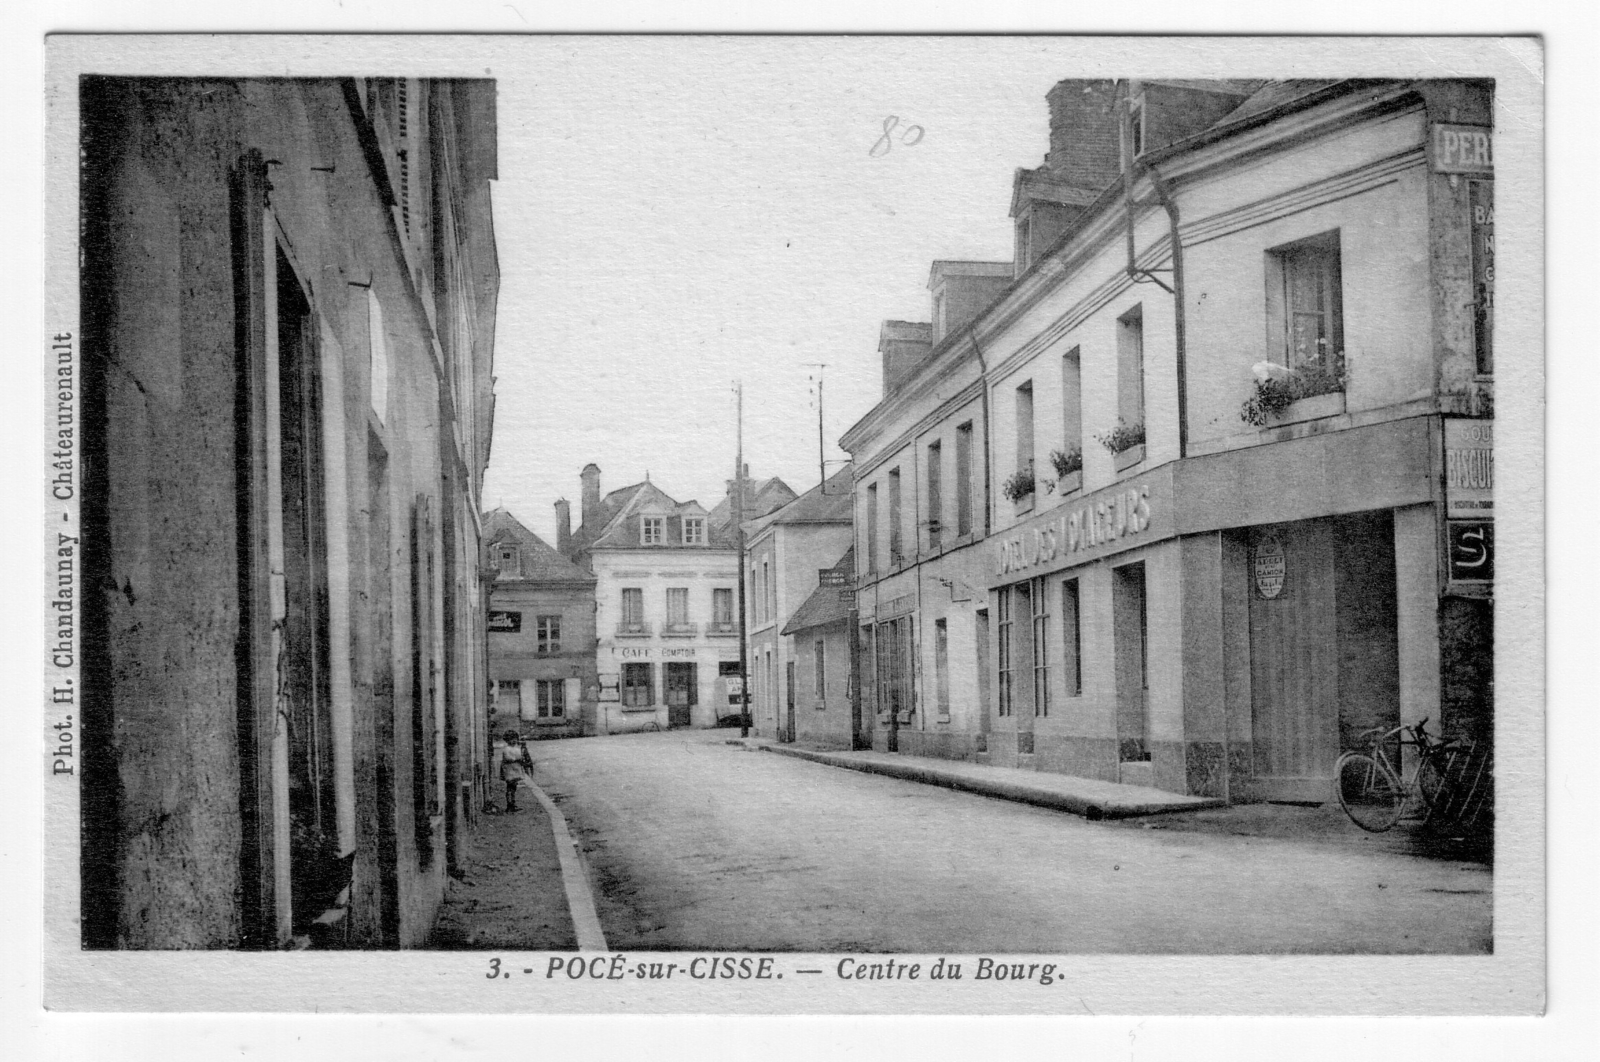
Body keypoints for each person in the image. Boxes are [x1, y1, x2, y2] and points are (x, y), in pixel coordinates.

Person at [492, 729, 532, 812]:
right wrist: (518, 758)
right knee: (510, 787)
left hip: (515, 770)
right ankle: (509, 804)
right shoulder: (507, 749)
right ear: (507, 740)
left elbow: (520, 755)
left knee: (514, 787)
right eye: (511, 739)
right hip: (509, 771)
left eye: (515, 739)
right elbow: (508, 758)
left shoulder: (516, 748)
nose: (514, 741)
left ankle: (513, 803)